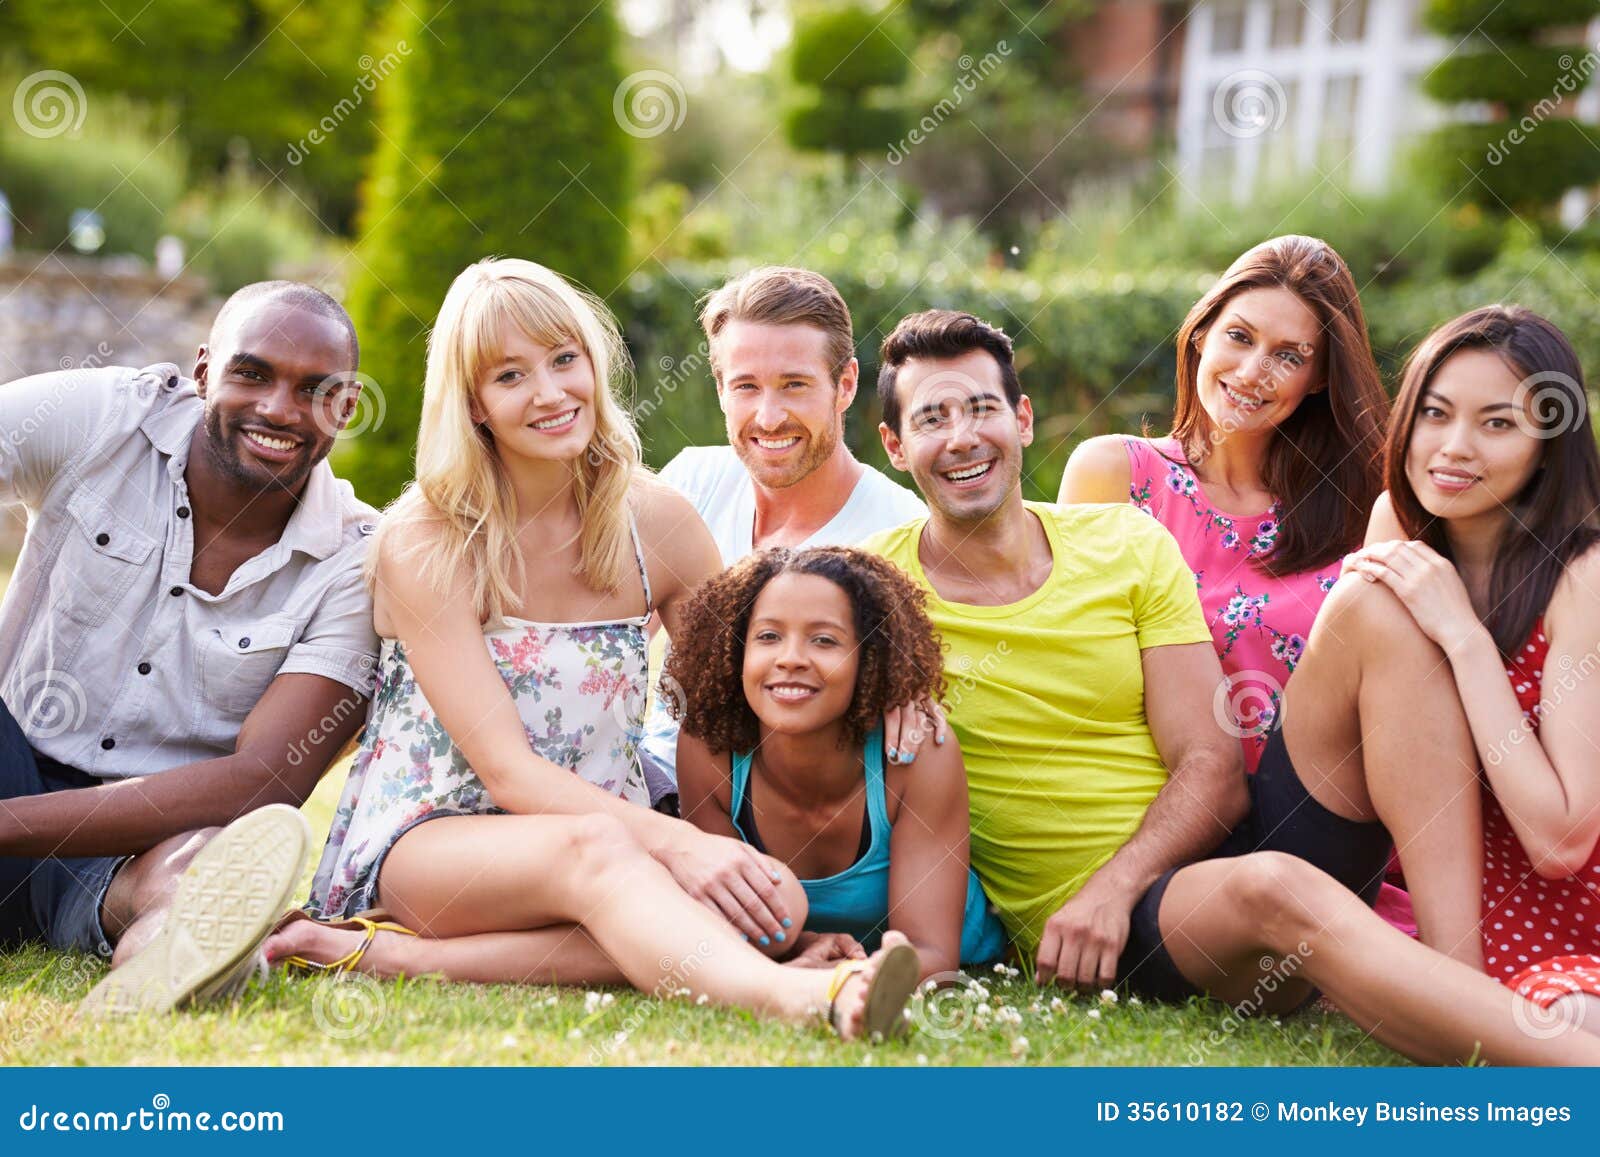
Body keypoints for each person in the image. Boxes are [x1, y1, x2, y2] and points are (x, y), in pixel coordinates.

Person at [275, 258, 922, 1042]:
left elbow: (743, 686)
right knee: (613, 857)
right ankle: (806, 998)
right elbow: (508, 772)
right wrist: (681, 843)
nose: (550, 393)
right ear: (474, 404)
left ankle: (379, 957)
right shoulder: (427, 540)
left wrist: (894, 688)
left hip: (610, 828)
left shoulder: (656, 521)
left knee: (774, 902)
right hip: (433, 838)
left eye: (564, 360)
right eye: (511, 375)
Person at [1111, 306, 1600, 1065]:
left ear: (1548, 447)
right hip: (1457, 912)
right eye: (1434, 414)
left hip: (1564, 918)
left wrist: (1464, 636)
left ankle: (1459, 993)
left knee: (1572, 1020)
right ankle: (1450, 986)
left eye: (1498, 425)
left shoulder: (1584, 574)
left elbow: (1562, 839)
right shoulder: (1399, 525)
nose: (1453, 448)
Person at [0, 282, 382, 1014]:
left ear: (348, 407)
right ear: (203, 370)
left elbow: (264, 780)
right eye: (253, 373)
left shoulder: (356, 563)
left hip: (141, 841)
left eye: (315, 390)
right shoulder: (103, 417)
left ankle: (170, 958)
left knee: (202, 867)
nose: (278, 408)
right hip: (10, 754)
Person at [861, 308, 1248, 990]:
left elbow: (1213, 763)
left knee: (1368, 611)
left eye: (983, 408)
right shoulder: (870, 591)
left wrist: (1115, 886)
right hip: (1096, 934)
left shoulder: (1128, 541)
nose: (963, 438)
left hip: (1190, 869)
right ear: (894, 445)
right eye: (931, 419)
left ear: (1024, 420)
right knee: (1271, 892)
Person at [1057, 234, 1413, 935]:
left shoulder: (1363, 503)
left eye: (1288, 355)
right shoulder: (1114, 475)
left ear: (1318, 378)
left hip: (1316, 823)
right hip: (1160, 818)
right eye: (1239, 337)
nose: (1253, 371)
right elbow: (1072, 654)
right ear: (1200, 335)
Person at [637, 267, 926, 809]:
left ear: (845, 385)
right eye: (746, 386)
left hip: (772, 808)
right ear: (721, 389)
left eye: (794, 384)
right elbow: (608, 632)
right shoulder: (689, 482)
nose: (768, 418)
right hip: (647, 778)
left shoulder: (898, 532)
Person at [669, 546, 1007, 974]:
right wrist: (800, 956)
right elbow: (724, 925)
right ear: (736, 652)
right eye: (768, 636)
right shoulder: (708, 745)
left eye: (824, 640)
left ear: (869, 657)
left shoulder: (914, 753)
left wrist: (823, 979)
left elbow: (931, 956)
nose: (790, 658)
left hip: (955, 960)